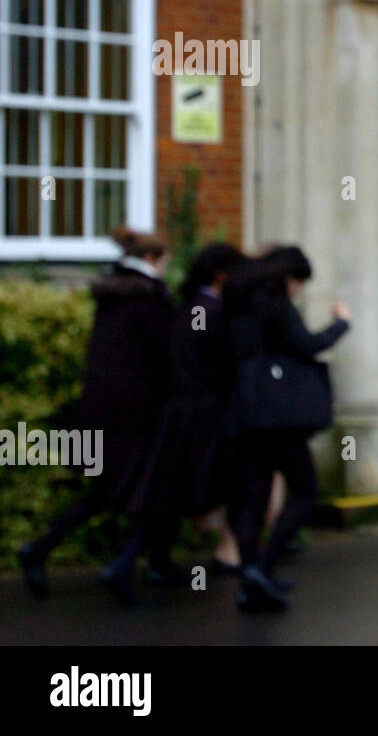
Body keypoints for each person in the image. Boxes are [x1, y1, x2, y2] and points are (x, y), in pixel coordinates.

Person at [17, 227, 172, 604]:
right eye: (165, 262)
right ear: (152, 260)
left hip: (101, 408)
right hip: (136, 411)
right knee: (152, 488)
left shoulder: (112, 295)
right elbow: (165, 358)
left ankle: (42, 549)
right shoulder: (150, 300)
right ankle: (121, 566)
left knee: (106, 491)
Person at [101, 243, 249, 600]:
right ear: (220, 275)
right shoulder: (210, 312)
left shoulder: (188, 309)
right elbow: (220, 365)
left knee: (168, 495)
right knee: (219, 488)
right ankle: (243, 563)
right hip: (203, 415)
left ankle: (143, 565)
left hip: (181, 412)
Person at [224, 245, 350, 611]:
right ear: (286, 276)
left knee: (254, 497)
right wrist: (341, 322)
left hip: (247, 411)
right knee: (305, 491)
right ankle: (263, 568)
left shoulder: (237, 299)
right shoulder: (276, 304)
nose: (298, 289)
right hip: (280, 414)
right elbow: (308, 345)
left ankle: (251, 575)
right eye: (298, 282)